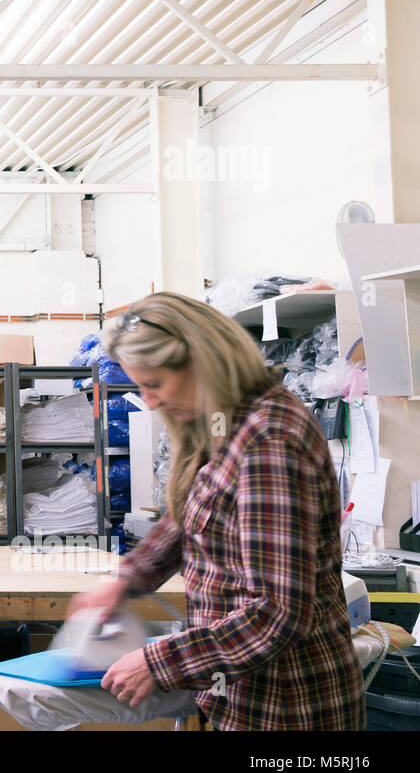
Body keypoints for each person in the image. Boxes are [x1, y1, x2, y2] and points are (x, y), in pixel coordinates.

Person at [69, 291, 364, 730]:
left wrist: (160, 663)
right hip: (238, 695)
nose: (148, 401)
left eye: (154, 385)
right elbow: (196, 509)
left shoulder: (268, 442)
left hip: (287, 707)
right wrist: (128, 579)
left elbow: (278, 611)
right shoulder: (225, 419)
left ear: (201, 364)